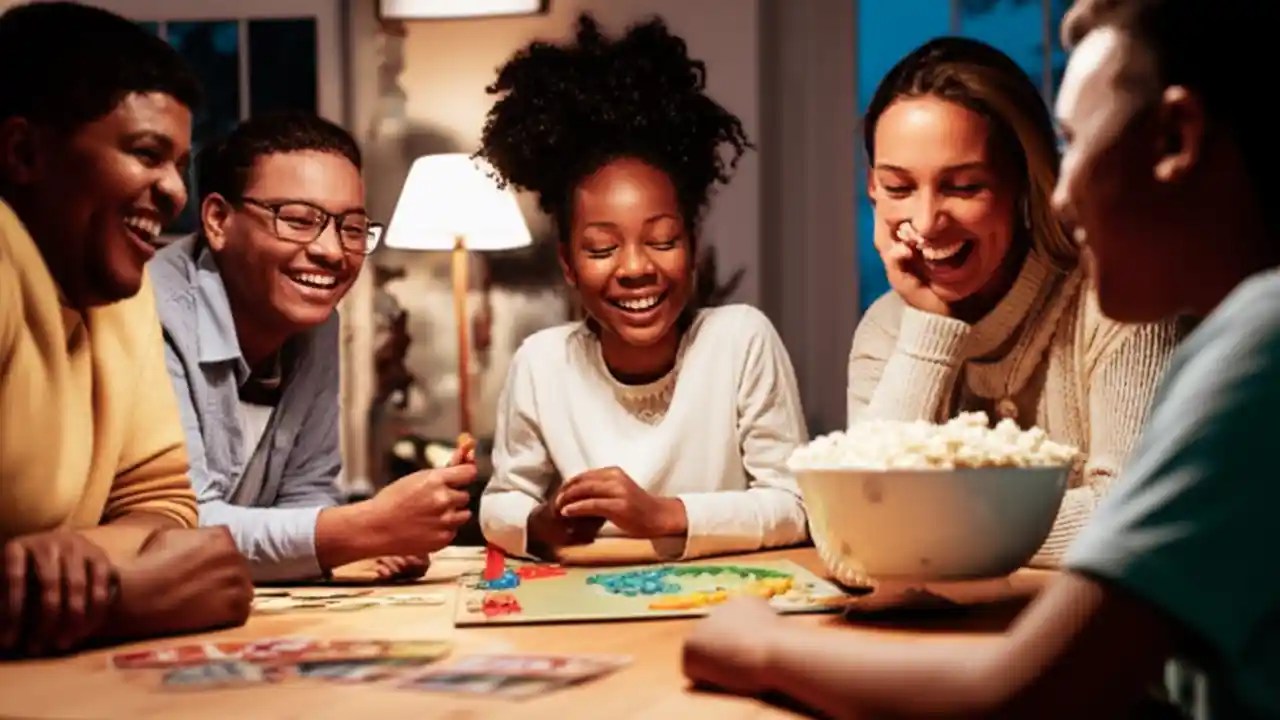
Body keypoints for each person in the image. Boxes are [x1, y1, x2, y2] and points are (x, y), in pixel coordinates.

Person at [683, 0, 1280, 717]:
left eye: (1076, 140)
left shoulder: (1259, 344)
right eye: (897, 185)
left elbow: (1028, 692)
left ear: (1175, 140)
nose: (1060, 196)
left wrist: (762, 644)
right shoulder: (1243, 333)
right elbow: (859, 544)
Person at [477, 14, 809, 561]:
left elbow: (794, 505)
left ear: (693, 245)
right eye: (602, 248)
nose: (635, 267)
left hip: (723, 610)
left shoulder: (739, 341)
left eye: (661, 240)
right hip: (587, 607)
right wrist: (541, 522)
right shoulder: (542, 362)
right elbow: (501, 503)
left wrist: (661, 514)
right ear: (567, 263)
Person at [847, 36, 1185, 565]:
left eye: (963, 186)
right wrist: (930, 324)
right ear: (872, 187)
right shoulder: (887, 331)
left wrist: (922, 531)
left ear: (1023, 186)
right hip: (935, 641)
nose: (928, 219)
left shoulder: (1113, 304)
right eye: (898, 187)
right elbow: (853, 540)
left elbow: (1132, 515)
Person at [0, 1, 251, 656]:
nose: (174, 191)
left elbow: (161, 503)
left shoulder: (118, 291)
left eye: (178, 165)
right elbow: (170, 562)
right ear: (24, 152)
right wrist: (115, 596)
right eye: (145, 154)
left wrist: (72, 565)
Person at [150, 112, 478, 583]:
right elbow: (175, 529)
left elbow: (307, 493)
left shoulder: (316, 324)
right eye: (298, 220)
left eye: (350, 227)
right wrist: (361, 528)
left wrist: (352, 542)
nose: (331, 250)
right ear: (218, 220)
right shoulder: (152, 316)